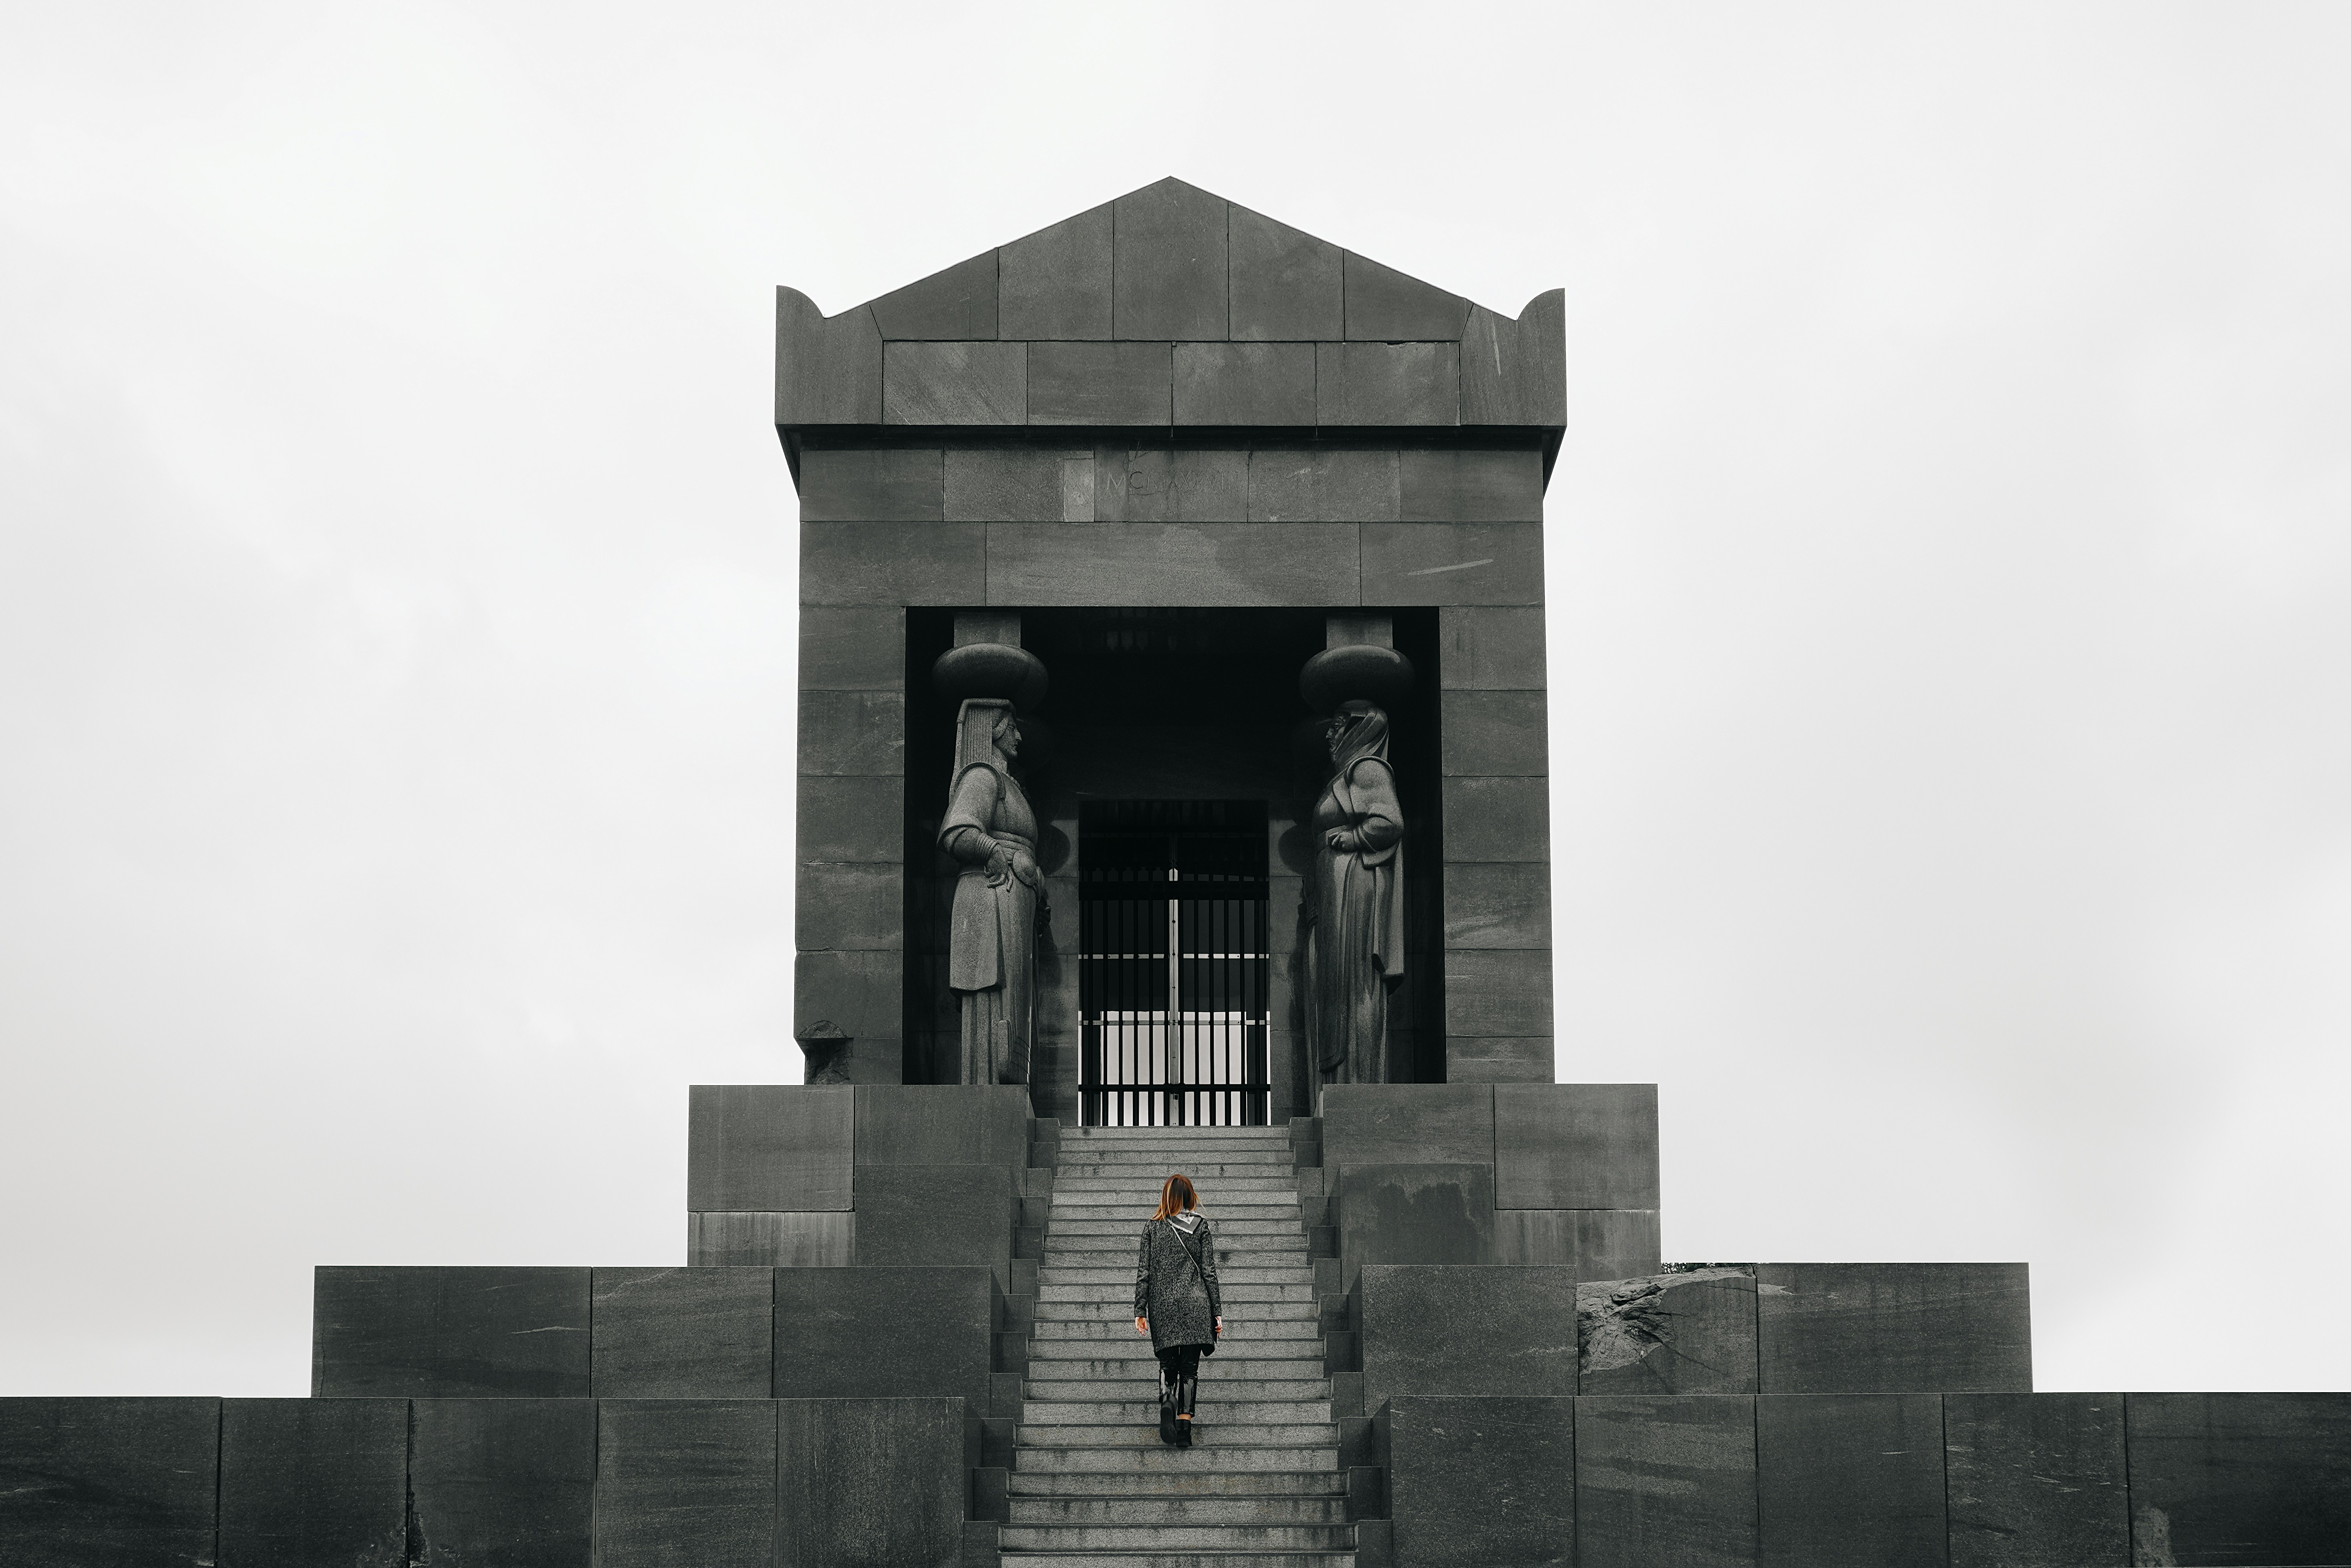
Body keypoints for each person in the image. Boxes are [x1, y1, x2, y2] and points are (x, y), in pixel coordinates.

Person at [939, 700, 1044, 1084]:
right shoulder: (983, 777)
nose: (1017, 735)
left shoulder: (1011, 785)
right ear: (993, 730)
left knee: (1015, 1001)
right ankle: (987, 1083)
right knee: (992, 995)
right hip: (991, 896)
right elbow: (957, 833)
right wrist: (992, 851)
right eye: (1011, 727)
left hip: (1015, 898)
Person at [1302, 699, 1406, 1084]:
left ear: (1360, 730)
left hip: (1353, 886)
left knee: (1354, 983)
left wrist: (1352, 838)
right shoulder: (1345, 774)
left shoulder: (1366, 767)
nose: (1330, 733)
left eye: (1339, 725)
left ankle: (1357, 1082)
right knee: (1329, 986)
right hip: (1333, 890)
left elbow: (1388, 821)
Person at [1133, 1172, 1223, 1447]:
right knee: (1190, 1370)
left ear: (1167, 1197)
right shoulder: (1201, 1226)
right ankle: (1184, 1429)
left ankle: (1166, 1400)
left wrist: (1140, 1310)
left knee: (1168, 1364)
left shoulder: (1152, 1227)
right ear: (1189, 1197)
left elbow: (1143, 1272)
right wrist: (1216, 1310)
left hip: (1163, 1306)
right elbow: (1208, 1271)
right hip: (1196, 1304)